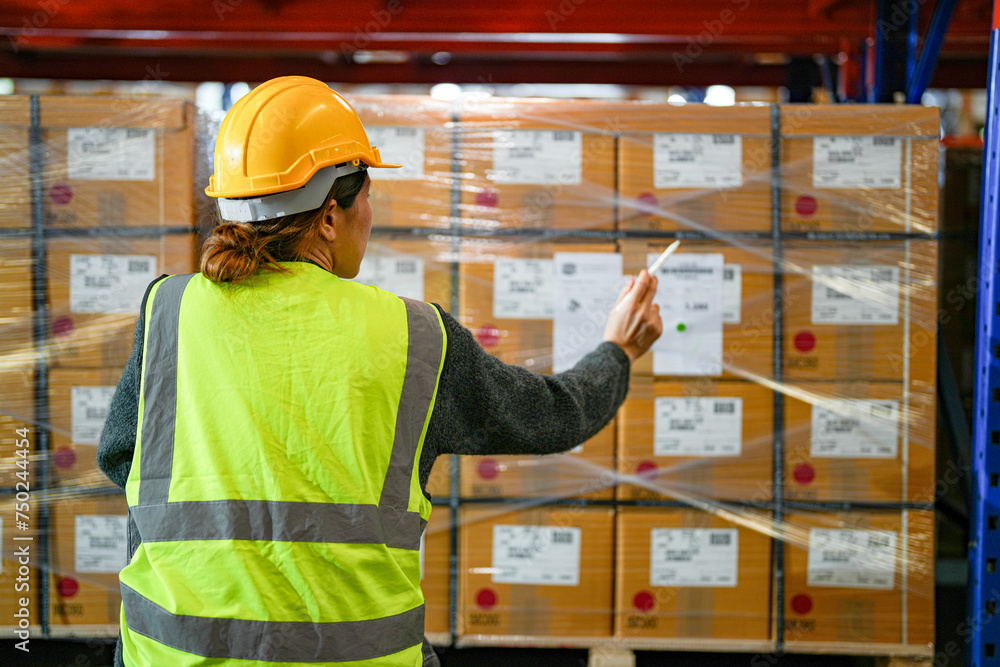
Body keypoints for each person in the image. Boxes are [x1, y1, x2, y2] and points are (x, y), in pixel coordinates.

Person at [97, 76, 662, 667]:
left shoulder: (169, 310)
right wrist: (617, 350)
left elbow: (121, 458)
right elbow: (553, 417)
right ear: (329, 218)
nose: (372, 211)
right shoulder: (415, 337)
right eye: (366, 194)